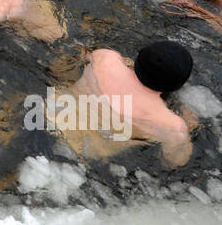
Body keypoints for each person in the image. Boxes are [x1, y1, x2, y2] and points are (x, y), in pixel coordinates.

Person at [44, 42, 197, 168]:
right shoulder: (171, 125)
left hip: (48, 116)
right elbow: (174, 161)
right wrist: (189, 126)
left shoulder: (105, 58)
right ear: (175, 86)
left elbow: (74, 59)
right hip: (81, 151)